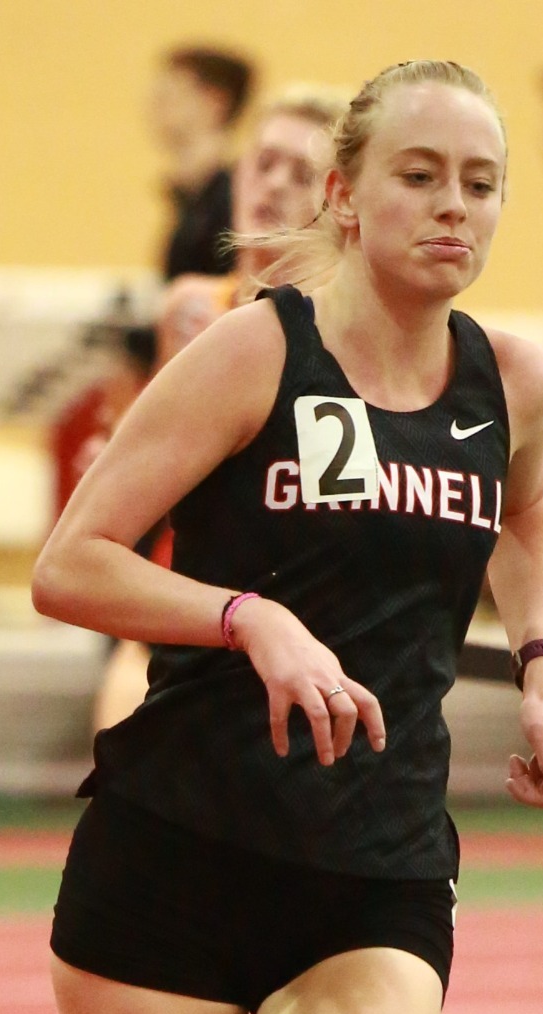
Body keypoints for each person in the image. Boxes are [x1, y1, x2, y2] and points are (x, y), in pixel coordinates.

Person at [33, 60, 543, 1014]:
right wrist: (248, 618)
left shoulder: (514, 382)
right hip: (182, 842)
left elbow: (523, 511)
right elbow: (70, 563)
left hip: (377, 861)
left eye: (479, 184)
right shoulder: (252, 352)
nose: (452, 206)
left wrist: (540, 662)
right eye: (418, 176)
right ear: (344, 195)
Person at [86, 85, 347, 732]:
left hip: (303, 602)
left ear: (338, 199)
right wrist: (115, 461)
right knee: (119, 726)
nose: (274, 184)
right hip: (188, 583)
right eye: (263, 163)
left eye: (301, 172)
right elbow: (154, 461)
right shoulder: (191, 308)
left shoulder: (346, 330)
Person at [150, 45, 255, 280]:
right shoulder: (192, 196)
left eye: (169, 97)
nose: (154, 106)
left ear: (216, 101)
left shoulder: (235, 200)